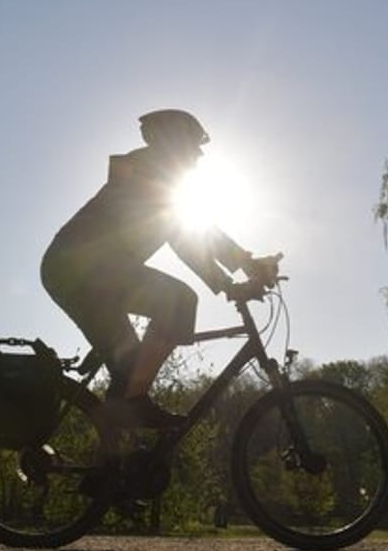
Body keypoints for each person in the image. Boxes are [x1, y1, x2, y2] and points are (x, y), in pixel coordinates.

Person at [41, 109, 269, 428]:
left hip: (91, 274)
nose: (199, 155)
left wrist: (243, 265)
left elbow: (192, 231)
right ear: (173, 143)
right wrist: (234, 276)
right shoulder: (147, 173)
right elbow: (185, 236)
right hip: (81, 271)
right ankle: (134, 404)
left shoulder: (154, 176)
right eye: (193, 146)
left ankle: (113, 464)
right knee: (178, 301)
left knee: (129, 370)